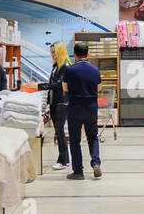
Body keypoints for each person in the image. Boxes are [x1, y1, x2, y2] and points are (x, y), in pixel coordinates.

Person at [62, 41, 102, 179]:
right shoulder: (95, 70)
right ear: (88, 54)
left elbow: (65, 88)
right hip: (91, 108)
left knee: (75, 140)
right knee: (92, 137)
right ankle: (96, 163)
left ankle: (78, 172)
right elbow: (98, 88)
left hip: (75, 108)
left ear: (75, 54)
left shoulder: (70, 70)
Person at [38, 42, 70, 170]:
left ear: (60, 51)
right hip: (55, 102)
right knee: (59, 131)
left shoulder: (65, 66)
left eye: (54, 52)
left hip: (61, 102)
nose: (52, 55)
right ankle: (64, 159)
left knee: (60, 131)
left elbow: (58, 85)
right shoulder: (56, 66)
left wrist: (40, 86)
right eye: (51, 52)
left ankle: (62, 161)